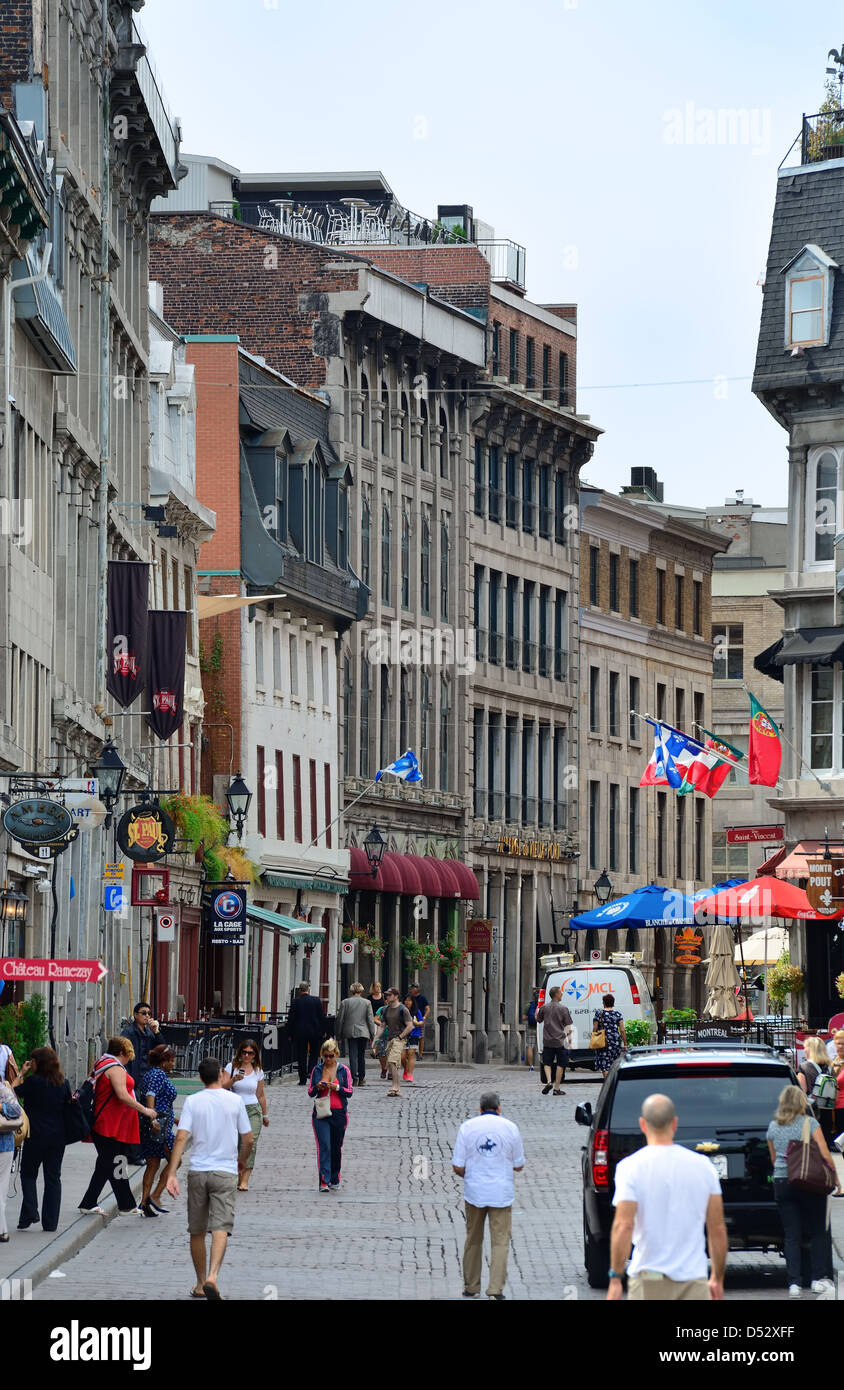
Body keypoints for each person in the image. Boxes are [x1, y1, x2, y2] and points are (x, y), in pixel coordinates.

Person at [608, 1093, 727, 1302]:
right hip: (693, 1278)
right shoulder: (703, 1167)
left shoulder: (629, 1167)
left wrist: (615, 1278)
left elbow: (623, 1226)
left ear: (642, 1124)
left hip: (648, 1278)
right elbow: (717, 1228)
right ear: (674, 1123)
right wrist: (717, 1276)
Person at [164, 1057, 254, 1300]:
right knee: (220, 1227)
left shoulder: (193, 1101)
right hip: (225, 1171)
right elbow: (248, 1139)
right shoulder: (235, 1101)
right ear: (221, 1076)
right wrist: (242, 1160)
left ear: (201, 1078)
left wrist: (172, 1173)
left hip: (198, 1171)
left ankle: (200, 1283)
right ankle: (214, 1275)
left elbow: (181, 1137)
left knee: (196, 1230)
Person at [452, 1091, 525, 1301]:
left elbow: (457, 1166)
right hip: (501, 1193)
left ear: (480, 1108)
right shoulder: (511, 1128)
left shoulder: (467, 1127)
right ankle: (495, 1289)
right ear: (499, 1108)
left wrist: (472, 1173)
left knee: (473, 1239)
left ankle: (471, 1286)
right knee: (500, 1241)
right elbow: (519, 1164)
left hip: (474, 1191)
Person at [766, 1083, 835, 1296]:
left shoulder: (773, 1126)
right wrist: (835, 1178)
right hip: (809, 1182)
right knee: (817, 1232)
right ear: (801, 1102)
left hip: (782, 1183)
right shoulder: (810, 1123)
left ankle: (794, 1283)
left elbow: (774, 1159)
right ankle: (817, 1279)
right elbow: (825, 1154)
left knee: (791, 1234)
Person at [78, 1037, 157, 1217]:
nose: (129, 1059)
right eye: (128, 1055)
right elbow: (122, 1095)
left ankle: (123, 1204)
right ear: (122, 1053)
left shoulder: (103, 1062)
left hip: (113, 1124)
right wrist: (145, 1110)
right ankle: (97, 1202)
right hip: (110, 1124)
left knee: (115, 1163)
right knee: (109, 1164)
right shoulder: (115, 1068)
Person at [13, 1046, 70, 1232]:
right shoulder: (63, 1083)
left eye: (33, 1061)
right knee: (53, 1178)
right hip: (57, 1137)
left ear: (39, 1063)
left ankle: (30, 1210)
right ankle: (50, 1222)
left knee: (28, 1173)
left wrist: (21, 1072)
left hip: (35, 1136)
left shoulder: (33, 1082)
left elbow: (10, 1093)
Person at [138, 1044, 178, 1217]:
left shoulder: (152, 1073)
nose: (173, 1064)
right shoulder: (158, 1074)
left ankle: (144, 1202)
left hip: (158, 1124)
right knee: (176, 1160)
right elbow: (151, 1095)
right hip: (158, 1127)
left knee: (153, 1164)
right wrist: (153, 1118)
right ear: (164, 1061)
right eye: (171, 1060)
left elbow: (162, 1100)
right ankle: (155, 1195)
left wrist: (175, 1119)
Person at [222, 1038, 268, 1190]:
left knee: (250, 1143)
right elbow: (223, 1087)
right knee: (235, 1144)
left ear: (255, 1055)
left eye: (250, 1053)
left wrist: (265, 1115)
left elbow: (260, 1094)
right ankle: (238, 1174)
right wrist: (234, 1080)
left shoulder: (258, 1071)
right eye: (244, 1052)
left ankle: (245, 1180)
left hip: (253, 1109)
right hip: (234, 1108)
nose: (247, 1056)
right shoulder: (232, 1067)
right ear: (240, 1053)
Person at [308, 1038, 353, 1192]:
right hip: (321, 1113)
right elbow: (310, 1092)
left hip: (339, 1112)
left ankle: (335, 1177)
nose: (328, 1059)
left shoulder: (343, 1070)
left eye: (331, 1056)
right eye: (325, 1056)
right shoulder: (317, 1070)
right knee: (324, 1146)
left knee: (336, 1147)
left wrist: (337, 1087)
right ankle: (324, 1181)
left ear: (336, 1054)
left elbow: (349, 1092)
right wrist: (317, 1086)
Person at [799, 1035, 839, 1163]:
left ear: (810, 1049)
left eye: (805, 1047)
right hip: (827, 1113)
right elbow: (835, 1094)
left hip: (811, 1114)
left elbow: (802, 1092)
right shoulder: (829, 1068)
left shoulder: (804, 1067)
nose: (804, 1050)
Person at [373, 987, 413, 1097]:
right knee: (392, 1064)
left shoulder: (403, 1009)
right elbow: (382, 1026)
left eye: (390, 995)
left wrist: (400, 1037)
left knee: (392, 1061)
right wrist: (376, 1038)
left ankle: (395, 1087)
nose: (387, 997)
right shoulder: (385, 1009)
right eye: (387, 995)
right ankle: (397, 1088)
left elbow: (410, 1026)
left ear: (396, 996)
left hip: (399, 1039)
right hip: (389, 1039)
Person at [334, 984, 375, 1087]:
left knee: (352, 1054)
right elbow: (370, 1020)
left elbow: (340, 1019)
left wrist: (338, 1035)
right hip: (363, 1031)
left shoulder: (345, 1002)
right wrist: (372, 1034)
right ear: (361, 991)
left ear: (351, 991)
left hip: (350, 1031)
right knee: (361, 1055)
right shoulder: (367, 1002)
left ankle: (354, 1077)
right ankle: (362, 1077)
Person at [287, 981, 327, 1085]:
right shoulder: (316, 1000)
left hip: (300, 1032)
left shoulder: (295, 1002)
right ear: (308, 990)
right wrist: (324, 1031)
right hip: (314, 1032)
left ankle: (302, 1079)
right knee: (314, 1054)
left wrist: (290, 1034)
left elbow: (291, 1019)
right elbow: (321, 1017)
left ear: (300, 990)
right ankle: (312, 1072)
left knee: (301, 1055)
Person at [536, 985, 572, 1096]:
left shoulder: (544, 1007)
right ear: (556, 994)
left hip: (547, 1040)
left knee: (547, 1063)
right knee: (561, 1064)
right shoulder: (563, 1008)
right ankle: (556, 1088)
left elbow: (538, 1019)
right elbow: (568, 1026)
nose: (562, 994)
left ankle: (548, 1081)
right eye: (560, 993)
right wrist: (569, 1039)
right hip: (560, 1041)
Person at [0, 1078, 23, 1242]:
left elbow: (16, 1110)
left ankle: (2, 1230)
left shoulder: (3, 1090)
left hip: (3, 1147)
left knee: (1, 1190)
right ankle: (2, 1230)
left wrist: (1, 1107)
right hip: (5, 1146)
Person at [121, 1002, 160, 1089]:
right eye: (143, 1013)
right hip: (133, 1075)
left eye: (149, 1013)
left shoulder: (150, 1033)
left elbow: (162, 1049)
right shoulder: (128, 1032)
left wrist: (156, 1032)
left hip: (146, 1076)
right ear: (135, 1015)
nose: (147, 1016)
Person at [592, 992, 627, 1078]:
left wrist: (594, 1039)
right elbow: (622, 1030)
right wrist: (625, 1043)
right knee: (615, 1063)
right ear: (613, 1002)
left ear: (604, 1003)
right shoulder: (617, 1014)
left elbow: (595, 1029)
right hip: (615, 1041)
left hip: (604, 1041)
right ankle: (613, 1082)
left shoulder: (599, 1013)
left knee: (604, 1063)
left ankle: (607, 1083)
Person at [402, 994, 424, 1083]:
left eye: (409, 1000)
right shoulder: (401, 1010)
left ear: (412, 1002)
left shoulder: (416, 1011)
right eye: (406, 1000)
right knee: (402, 1056)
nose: (407, 1002)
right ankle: (406, 1069)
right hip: (403, 1034)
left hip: (414, 1033)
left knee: (411, 1054)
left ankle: (410, 1074)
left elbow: (421, 1021)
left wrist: (417, 1023)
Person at [828, 1030, 844, 1145]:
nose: (841, 1046)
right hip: (835, 1108)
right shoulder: (833, 1062)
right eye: (838, 1043)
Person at [409, 984, 430, 1058]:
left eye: (411, 989)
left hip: (419, 1018)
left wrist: (424, 1017)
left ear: (416, 990)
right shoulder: (410, 998)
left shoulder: (422, 998)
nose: (410, 990)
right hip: (410, 1017)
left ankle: (420, 1054)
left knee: (421, 1037)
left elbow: (427, 1008)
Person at [522, 988, 539, 1070]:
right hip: (541, 1029)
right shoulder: (544, 1005)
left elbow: (523, 1017)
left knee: (530, 1047)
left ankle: (531, 1066)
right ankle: (545, 1065)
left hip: (531, 1028)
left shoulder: (529, 1005)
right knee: (544, 1048)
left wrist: (530, 1017)